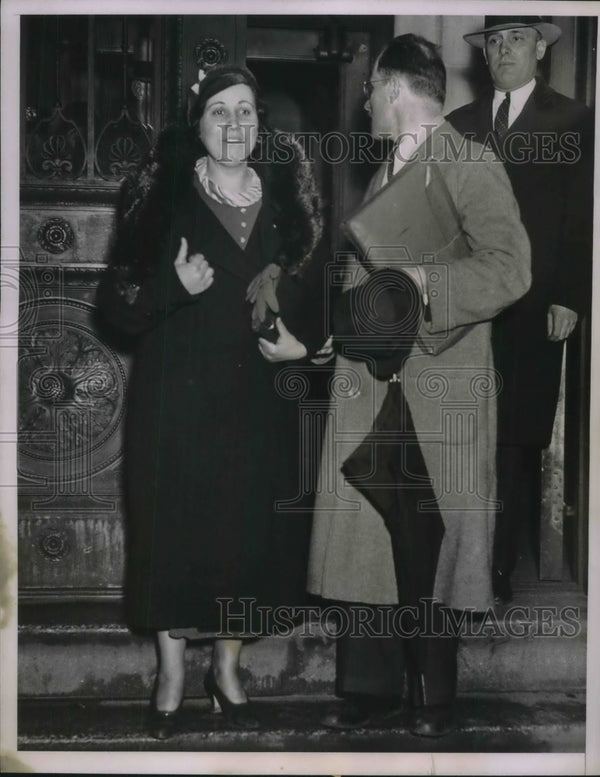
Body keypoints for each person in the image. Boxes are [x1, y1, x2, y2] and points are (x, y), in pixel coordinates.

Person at [307, 33, 531, 737]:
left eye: (371, 90)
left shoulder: (470, 161)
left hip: (440, 382)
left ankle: (431, 697)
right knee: (373, 535)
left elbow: (511, 268)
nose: (365, 102)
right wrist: (340, 329)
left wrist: (427, 285)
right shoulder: (384, 172)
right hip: (373, 379)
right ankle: (371, 688)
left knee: (431, 541)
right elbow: (369, 281)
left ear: (393, 85)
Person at [96, 65, 325, 738]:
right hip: (179, 398)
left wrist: (303, 343)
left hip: (260, 400)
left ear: (261, 124)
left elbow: (315, 294)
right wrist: (172, 287)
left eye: (246, 112)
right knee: (176, 535)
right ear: (196, 123)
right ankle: (170, 675)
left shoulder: (290, 202)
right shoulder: (161, 194)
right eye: (220, 112)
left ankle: (225, 668)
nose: (234, 125)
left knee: (247, 535)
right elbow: (117, 305)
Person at [447, 16, 594, 603]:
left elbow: (582, 216)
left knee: (516, 435)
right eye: (494, 40)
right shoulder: (458, 126)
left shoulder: (576, 121)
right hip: (470, 304)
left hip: (536, 304)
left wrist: (570, 295)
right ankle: (461, 564)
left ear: (540, 48)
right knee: (467, 429)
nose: (503, 49)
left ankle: (498, 564)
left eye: (517, 38)